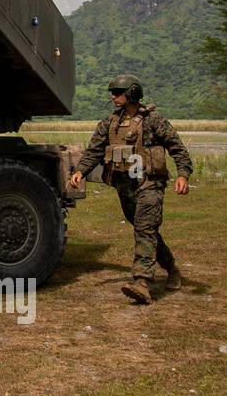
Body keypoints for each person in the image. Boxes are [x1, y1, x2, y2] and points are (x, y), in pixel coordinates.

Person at [69, 73, 192, 305]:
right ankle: (171, 268)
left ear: (132, 94)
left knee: (145, 228)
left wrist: (183, 175)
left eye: (118, 93)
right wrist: (80, 171)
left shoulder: (154, 121)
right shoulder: (110, 123)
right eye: (113, 93)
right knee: (146, 229)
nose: (113, 97)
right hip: (125, 185)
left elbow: (178, 149)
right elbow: (94, 151)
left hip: (149, 183)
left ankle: (142, 282)